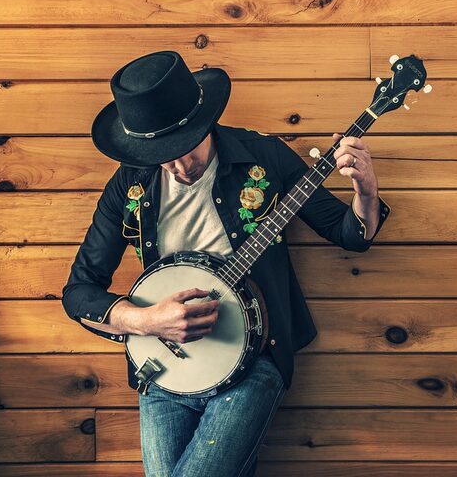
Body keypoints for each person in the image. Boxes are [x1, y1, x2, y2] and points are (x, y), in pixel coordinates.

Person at [61, 50, 391, 476]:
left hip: (255, 359)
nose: (179, 165)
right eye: (163, 154)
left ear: (205, 122)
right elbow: (79, 292)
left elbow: (349, 235)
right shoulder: (130, 183)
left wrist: (365, 189)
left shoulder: (264, 157)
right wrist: (146, 322)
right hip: (163, 370)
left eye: (185, 147)